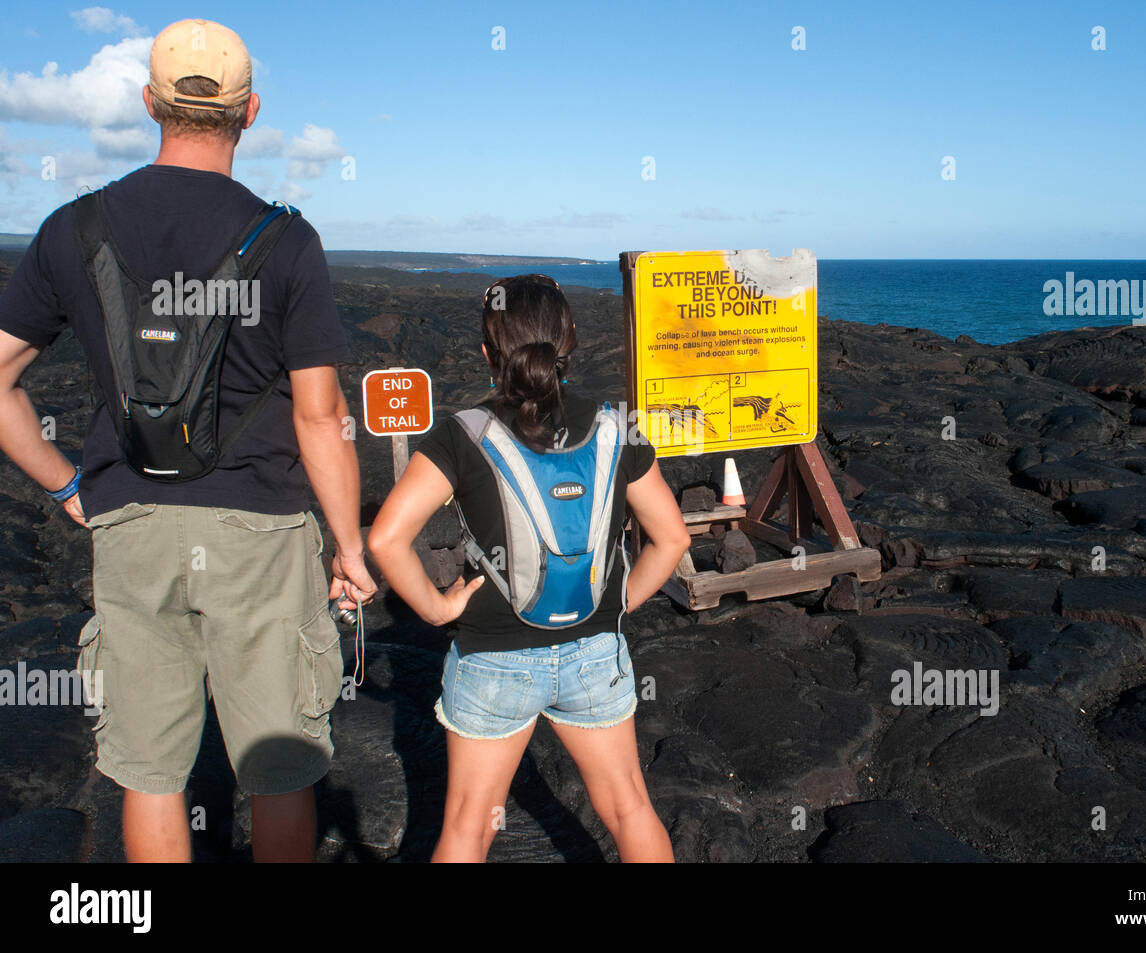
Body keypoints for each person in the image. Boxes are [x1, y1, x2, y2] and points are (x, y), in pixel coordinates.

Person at [0, 18, 376, 862]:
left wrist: (70, 490)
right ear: (249, 112)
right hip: (263, 532)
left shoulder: (72, 229)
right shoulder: (289, 242)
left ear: (146, 104)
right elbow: (320, 420)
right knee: (282, 769)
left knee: (151, 774)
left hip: (128, 523)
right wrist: (349, 549)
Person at [367, 274, 690, 862]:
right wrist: (619, 603)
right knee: (629, 810)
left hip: (492, 658)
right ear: (568, 341)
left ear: (489, 352)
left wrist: (439, 609)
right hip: (596, 651)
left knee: (468, 829)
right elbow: (670, 540)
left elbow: (388, 539)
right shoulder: (621, 427)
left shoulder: (463, 434)